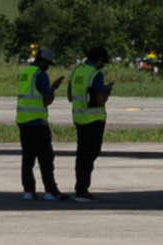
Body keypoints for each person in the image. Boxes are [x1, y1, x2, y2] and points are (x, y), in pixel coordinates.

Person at [14, 48, 60, 200]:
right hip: (38, 122)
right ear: (43, 61)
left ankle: (28, 191)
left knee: (27, 159)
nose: (48, 66)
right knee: (45, 158)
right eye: (48, 63)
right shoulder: (40, 75)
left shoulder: (25, 73)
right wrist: (52, 89)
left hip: (23, 120)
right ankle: (50, 191)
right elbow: (46, 101)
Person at [69, 43, 113, 199]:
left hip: (79, 119)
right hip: (94, 120)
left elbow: (70, 96)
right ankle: (82, 189)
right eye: (103, 62)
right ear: (99, 60)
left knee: (82, 154)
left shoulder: (77, 72)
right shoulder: (96, 74)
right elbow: (100, 100)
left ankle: (80, 186)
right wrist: (107, 91)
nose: (103, 65)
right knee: (91, 154)